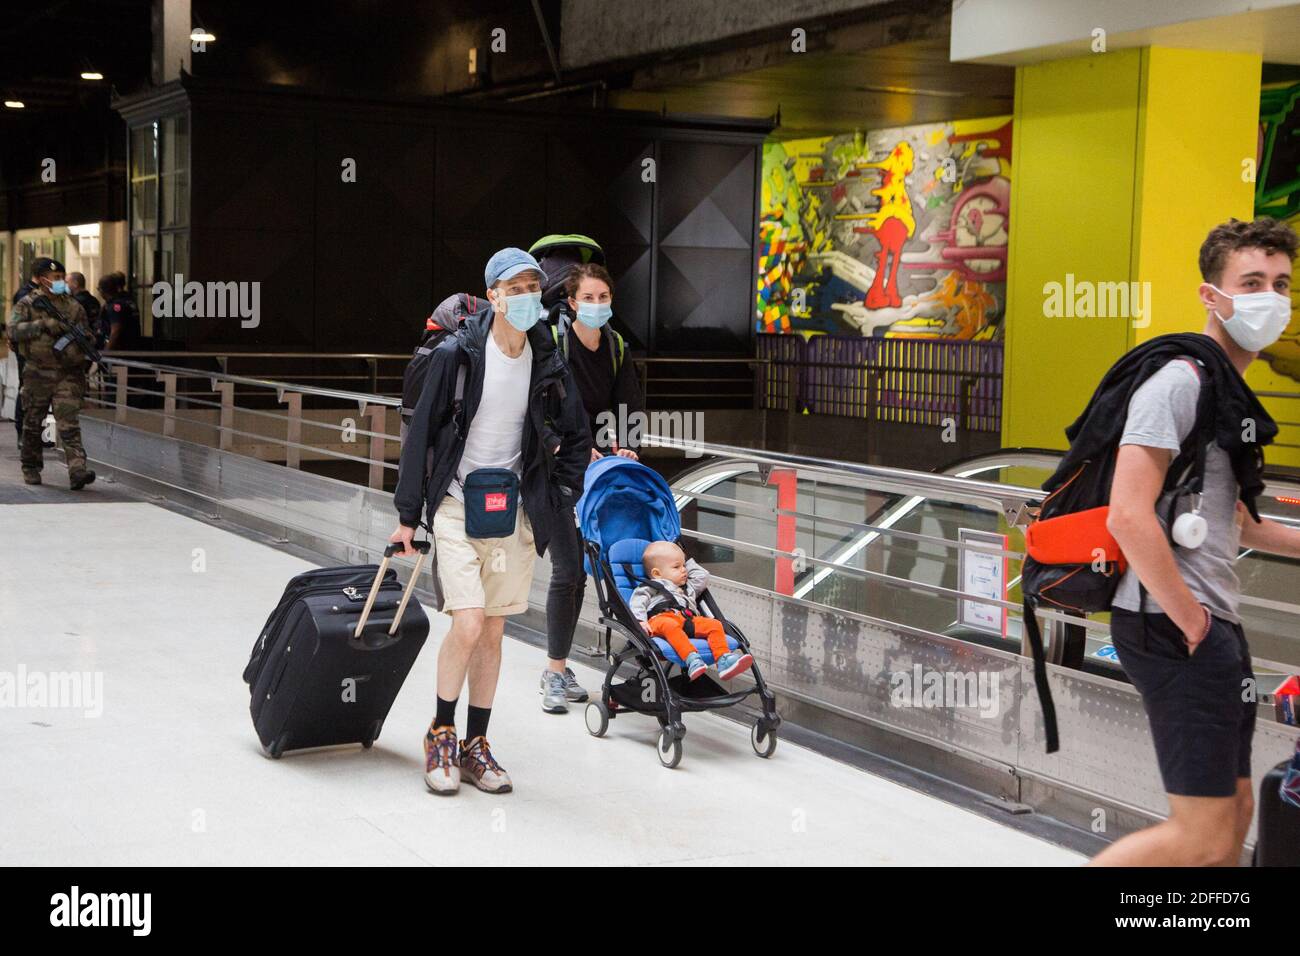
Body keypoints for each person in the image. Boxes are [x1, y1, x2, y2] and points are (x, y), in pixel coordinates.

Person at [1091, 217, 1300, 867]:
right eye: (1253, 282)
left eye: (1283, 284)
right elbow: (1127, 514)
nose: (1271, 297)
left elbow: (1234, 521)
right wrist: (1193, 621)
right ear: (1212, 297)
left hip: (1212, 625)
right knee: (1200, 835)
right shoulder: (1180, 381)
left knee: (1233, 818)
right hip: (1174, 627)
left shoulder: (1223, 391)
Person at [390, 247, 589, 795]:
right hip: (455, 503)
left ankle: (477, 745)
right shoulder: (459, 353)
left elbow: (575, 432)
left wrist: (562, 493)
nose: (527, 297)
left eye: (534, 287)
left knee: (495, 630)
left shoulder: (546, 357)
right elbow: (420, 435)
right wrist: (408, 517)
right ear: (494, 295)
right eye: (516, 288)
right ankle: (441, 731)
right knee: (470, 621)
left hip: (513, 509)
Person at [540, 261, 645, 713]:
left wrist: (627, 447)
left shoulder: (617, 347)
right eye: (589, 298)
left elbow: (630, 407)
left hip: (602, 475)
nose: (597, 305)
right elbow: (539, 409)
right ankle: (554, 673)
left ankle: (643, 659)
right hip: (562, 474)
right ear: (571, 301)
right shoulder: (555, 345)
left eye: (604, 298)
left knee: (615, 567)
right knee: (569, 572)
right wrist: (569, 447)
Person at [5, 257, 97, 489]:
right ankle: (31, 467)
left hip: (67, 374)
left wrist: (83, 340)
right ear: (43, 279)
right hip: (37, 372)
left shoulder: (74, 306)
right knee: (33, 423)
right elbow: (13, 331)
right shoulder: (27, 304)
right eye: (55, 278)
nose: (59, 282)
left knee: (68, 424)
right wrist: (42, 325)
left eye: (61, 278)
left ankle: (78, 470)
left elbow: (87, 333)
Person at [629, 540, 753, 682]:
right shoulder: (651, 586)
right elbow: (637, 602)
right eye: (677, 567)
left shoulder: (688, 588)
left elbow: (703, 575)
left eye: (684, 566)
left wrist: (684, 559)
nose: (684, 570)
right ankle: (692, 659)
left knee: (714, 625)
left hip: (687, 621)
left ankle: (723, 660)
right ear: (657, 573)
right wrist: (640, 621)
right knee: (669, 625)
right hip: (660, 619)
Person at [97, 272, 143, 351]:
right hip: (131, 348)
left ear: (102, 290)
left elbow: (116, 331)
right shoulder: (129, 300)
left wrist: (106, 352)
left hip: (119, 350)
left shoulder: (115, 306)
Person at [67, 273, 103, 349]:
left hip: (80, 341)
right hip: (94, 339)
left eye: (67, 282)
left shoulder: (75, 302)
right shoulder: (94, 300)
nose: (65, 285)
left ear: (75, 284)